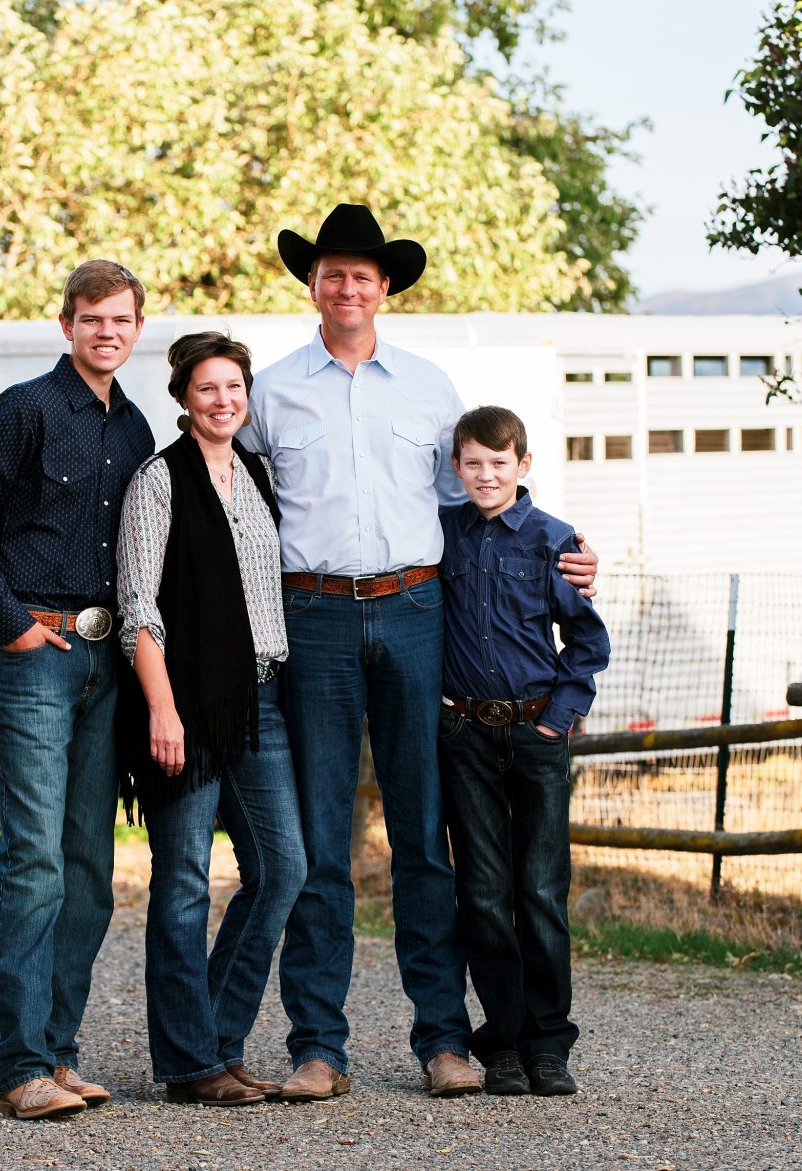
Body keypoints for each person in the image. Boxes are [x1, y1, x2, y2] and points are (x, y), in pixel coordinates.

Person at [236, 203, 598, 1100]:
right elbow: (240, 506)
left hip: (413, 611)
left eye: (363, 273)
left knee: (424, 838)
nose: (347, 286)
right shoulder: (273, 390)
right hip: (311, 613)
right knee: (322, 841)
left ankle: (442, 1037)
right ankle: (318, 1046)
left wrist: (558, 548)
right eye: (331, 273)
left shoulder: (431, 389)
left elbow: (478, 504)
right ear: (311, 285)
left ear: (385, 286)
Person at [0, 260, 155, 1120]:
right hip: (37, 653)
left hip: (110, 663)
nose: (107, 332)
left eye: (122, 320)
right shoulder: (23, 409)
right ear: (66, 324)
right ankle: (17, 1064)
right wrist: (15, 619)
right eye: (92, 318)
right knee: (33, 860)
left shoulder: (135, 428)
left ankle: (59, 1053)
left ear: (137, 329)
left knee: (91, 870)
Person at [116, 332, 307, 1107]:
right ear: (183, 401)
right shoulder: (157, 481)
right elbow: (138, 609)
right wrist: (162, 709)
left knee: (282, 867)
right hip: (184, 706)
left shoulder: (257, 474)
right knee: (185, 881)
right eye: (207, 390)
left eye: (234, 387)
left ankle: (220, 1045)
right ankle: (190, 1063)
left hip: (258, 698)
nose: (223, 401)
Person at [437, 405, 609, 1097]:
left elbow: (588, 641)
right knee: (481, 892)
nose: (485, 474)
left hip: (536, 732)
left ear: (523, 466)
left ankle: (548, 1043)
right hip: (465, 735)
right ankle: (501, 1044)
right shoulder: (439, 533)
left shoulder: (553, 540)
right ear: (457, 467)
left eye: (498, 464)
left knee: (539, 890)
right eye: (473, 463)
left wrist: (558, 720)